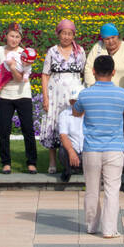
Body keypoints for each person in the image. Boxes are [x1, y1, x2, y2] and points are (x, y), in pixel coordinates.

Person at [73, 54, 124, 238]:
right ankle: (109, 229)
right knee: (112, 191)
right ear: (113, 72)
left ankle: (91, 226)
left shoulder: (85, 94)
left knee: (91, 189)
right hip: (114, 148)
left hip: (91, 148)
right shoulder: (122, 94)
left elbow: (76, 112)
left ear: (93, 71)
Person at [40, 19, 86, 172]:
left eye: (69, 34)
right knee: (53, 125)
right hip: (55, 95)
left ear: (74, 35)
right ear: (58, 34)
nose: (66, 37)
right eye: (63, 33)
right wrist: (45, 97)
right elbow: (45, 75)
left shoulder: (80, 51)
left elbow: (84, 73)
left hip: (74, 95)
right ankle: (52, 162)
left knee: (74, 124)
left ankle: (75, 157)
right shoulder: (52, 51)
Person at [0, 23, 38, 174]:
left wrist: (12, 67)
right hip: (6, 95)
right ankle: (6, 163)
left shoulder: (24, 54)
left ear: (21, 39)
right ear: (6, 36)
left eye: (17, 37)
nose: (14, 39)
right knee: (4, 129)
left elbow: (20, 79)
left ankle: (31, 162)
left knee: (28, 129)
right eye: (12, 35)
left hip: (22, 94)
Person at [84, 23, 124, 89]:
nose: (111, 41)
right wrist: (92, 85)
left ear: (118, 36)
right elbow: (88, 67)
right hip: (100, 91)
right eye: (107, 39)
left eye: (113, 37)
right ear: (103, 40)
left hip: (122, 91)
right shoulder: (98, 48)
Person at [55, 89, 85, 183]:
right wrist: (71, 151)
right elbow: (63, 136)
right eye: (75, 101)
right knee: (62, 151)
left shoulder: (91, 113)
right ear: (71, 101)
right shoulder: (64, 114)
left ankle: (88, 170)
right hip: (73, 149)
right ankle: (68, 170)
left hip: (88, 151)